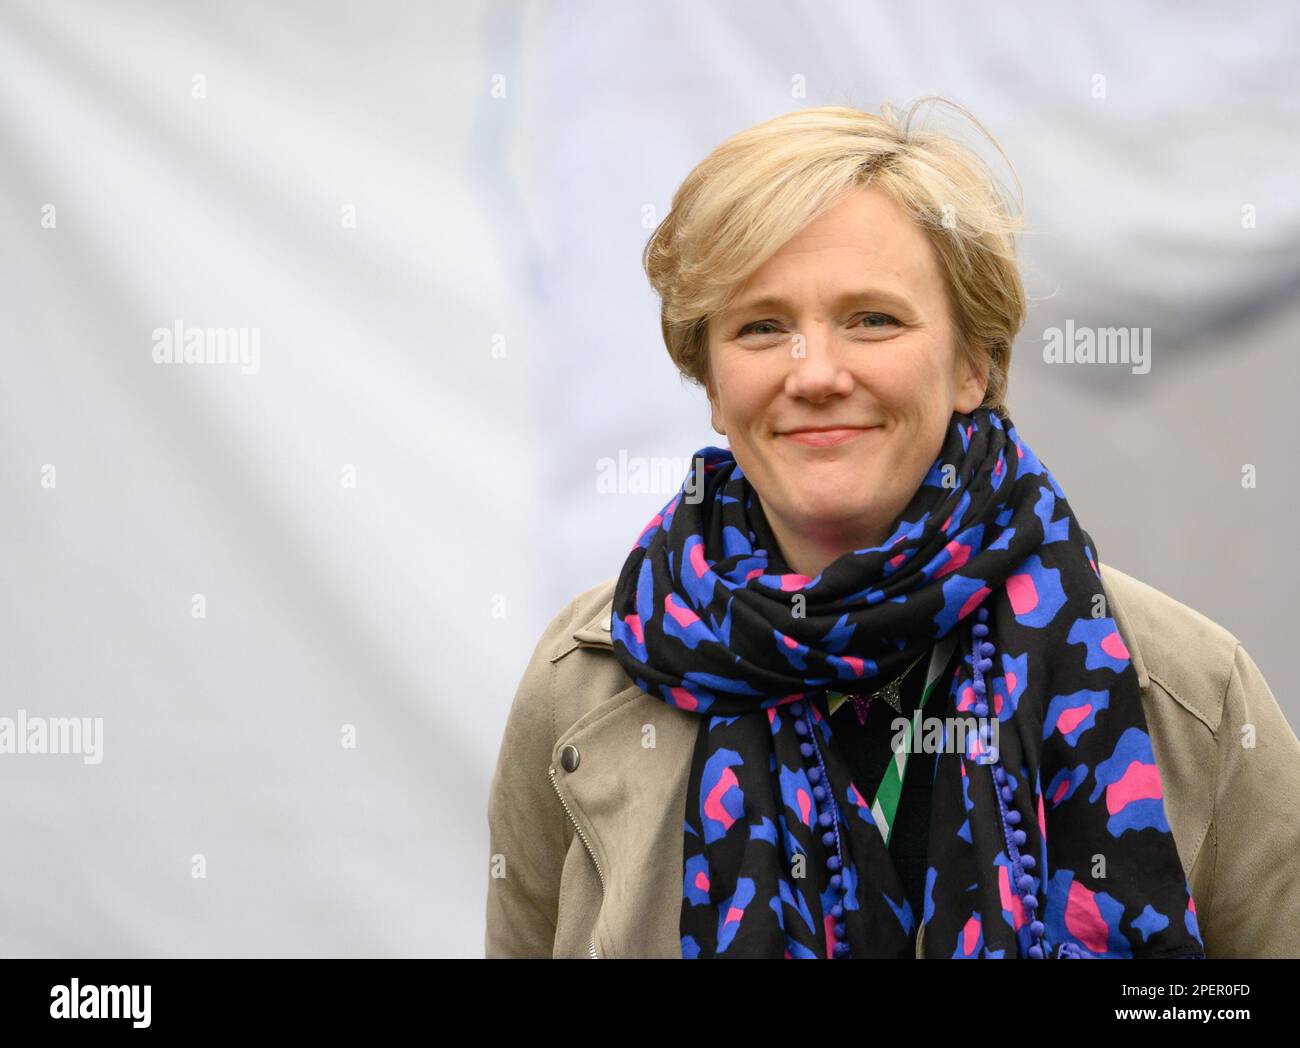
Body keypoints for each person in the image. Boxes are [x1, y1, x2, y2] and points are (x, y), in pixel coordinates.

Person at [485, 100, 1300, 958]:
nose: (818, 374)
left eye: (873, 318)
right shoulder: (583, 686)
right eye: (762, 327)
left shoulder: (1189, 693)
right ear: (714, 386)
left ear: (972, 363)